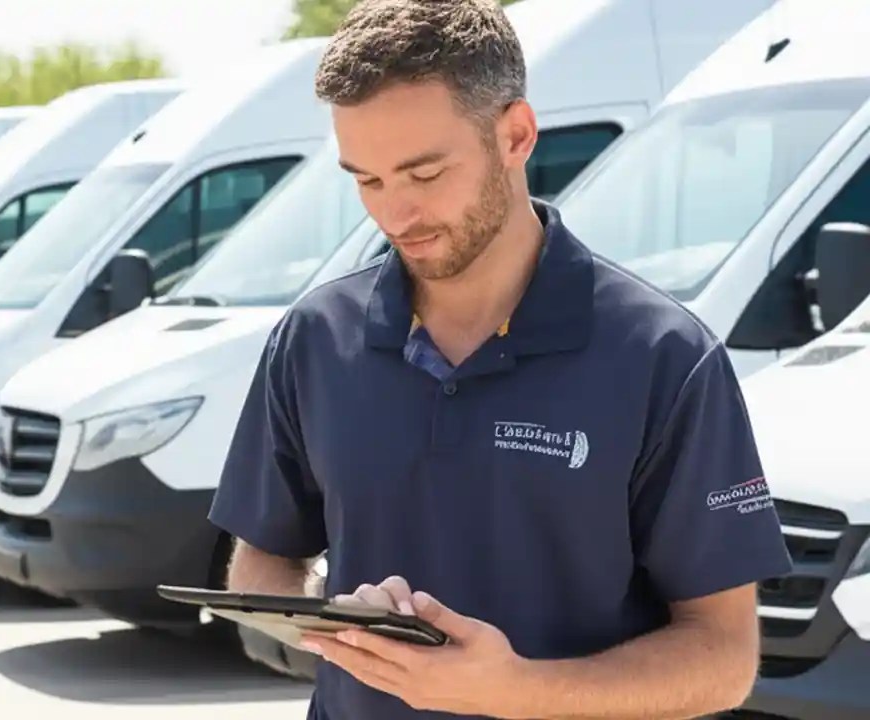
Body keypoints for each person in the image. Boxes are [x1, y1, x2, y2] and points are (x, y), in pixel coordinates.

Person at [206, 1, 794, 718]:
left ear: (515, 134)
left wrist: (516, 691)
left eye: (424, 174)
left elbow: (723, 659)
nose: (395, 214)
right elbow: (262, 561)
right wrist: (338, 624)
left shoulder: (665, 357)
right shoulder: (315, 339)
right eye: (368, 180)